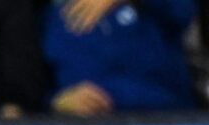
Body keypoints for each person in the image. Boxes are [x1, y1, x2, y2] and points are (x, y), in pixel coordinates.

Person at [43, 0, 198, 116]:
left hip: (164, 124)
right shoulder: (50, 18)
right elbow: (38, 91)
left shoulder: (150, 11)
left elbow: (183, 9)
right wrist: (57, 103)